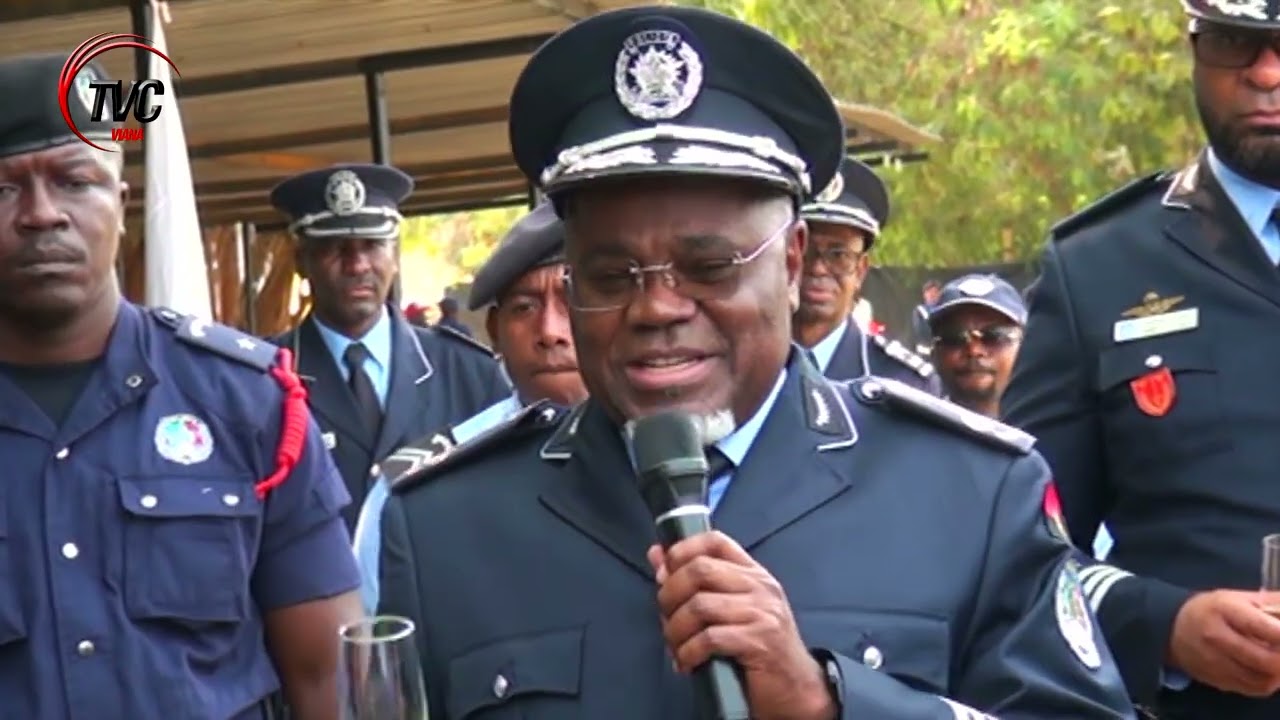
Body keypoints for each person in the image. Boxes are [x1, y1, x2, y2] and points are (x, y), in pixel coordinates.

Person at [377, 7, 1134, 718]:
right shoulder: (448, 525)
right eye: (612, 278)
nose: (658, 309)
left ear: (795, 262)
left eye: (708, 268)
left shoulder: (971, 492)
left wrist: (833, 701)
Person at [0, 53, 362, 719]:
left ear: (120, 202)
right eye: (5, 190)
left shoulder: (248, 401)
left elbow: (328, 677)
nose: (41, 215)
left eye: (74, 182)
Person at [1002, 2, 1280, 717]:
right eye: (1234, 44)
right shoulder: (1098, 266)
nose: (1267, 73)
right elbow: (1021, 547)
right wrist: (1164, 625)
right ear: (1194, 50)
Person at [351, 201, 587, 612]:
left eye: (571, 301)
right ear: (494, 332)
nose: (550, 332)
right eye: (525, 308)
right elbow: (380, 657)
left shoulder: (686, 458)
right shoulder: (415, 490)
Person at [269, 164, 511, 531]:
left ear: (394, 256)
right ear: (302, 262)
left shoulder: (469, 372)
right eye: (336, 249)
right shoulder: (263, 378)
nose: (358, 265)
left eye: (373, 245)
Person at [793, 159, 940, 393]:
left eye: (838, 255)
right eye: (806, 251)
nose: (819, 268)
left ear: (860, 270)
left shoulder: (903, 382)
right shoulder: (741, 367)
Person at [926, 274, 1025, 417]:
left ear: (1025, 348)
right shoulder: (913, 435)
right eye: (954, 337)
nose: (974, 350)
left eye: (994, 336)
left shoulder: (1055, 433)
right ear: (935, 353)